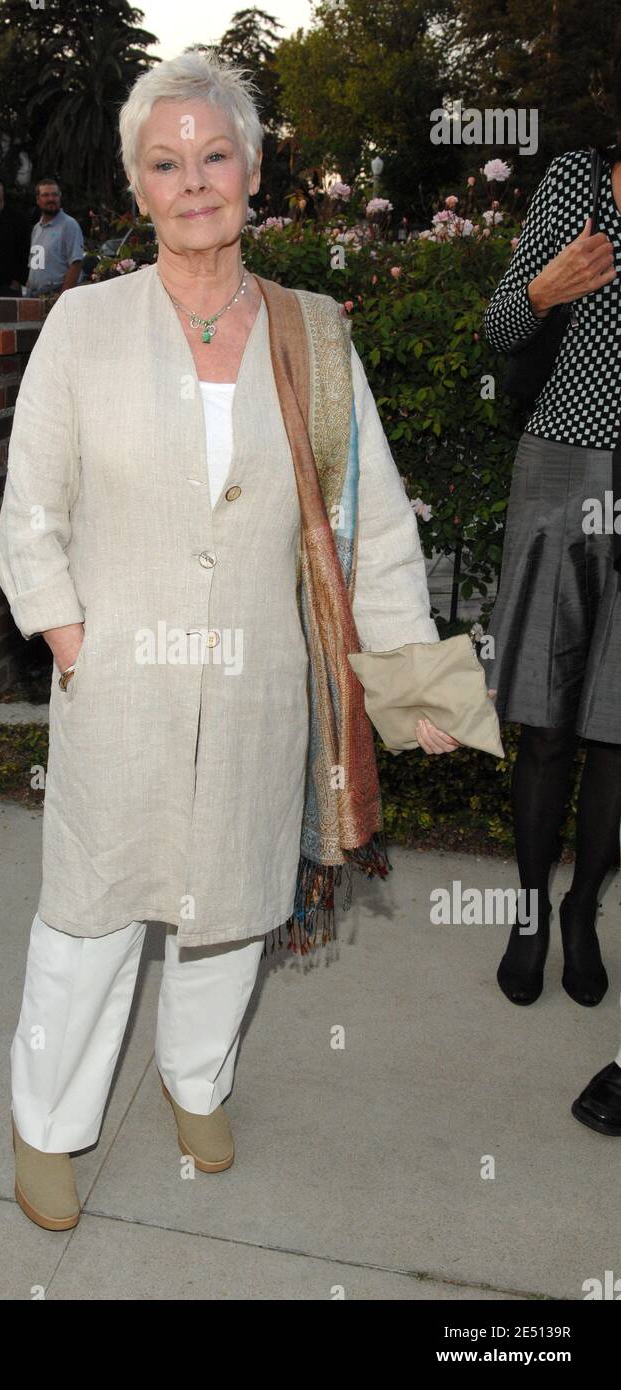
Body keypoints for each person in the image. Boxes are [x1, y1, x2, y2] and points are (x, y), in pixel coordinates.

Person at [0, 50, 461, 1233]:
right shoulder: (84, 325)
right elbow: (29, 512)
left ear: (252, 170)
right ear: (136, 187)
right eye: (166, 162)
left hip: (260, 692)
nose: (192, 179)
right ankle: (48, 1122)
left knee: (230, 914)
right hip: (118, 694)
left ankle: (194, 1080)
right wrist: (71, 642)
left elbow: (368, 527)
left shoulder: (312, 337)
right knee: (91, 918)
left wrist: (412, 685)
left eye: (214, 154)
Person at [481, 21, 621, 1010]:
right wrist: (538, 288)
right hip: (557, 473)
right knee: (543, 722)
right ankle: (529, 910)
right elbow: (494, 329)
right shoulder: (572, 180)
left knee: (617, 732)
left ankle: (580, 914)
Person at [25, 177, 85, 297]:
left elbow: (76, 263)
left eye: (55, 195)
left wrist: (62, 297)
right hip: (34, 295)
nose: (51, 199)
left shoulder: (69, 225)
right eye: (46, 195)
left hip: (55, 294)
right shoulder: (36, 228)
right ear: (38, 200)